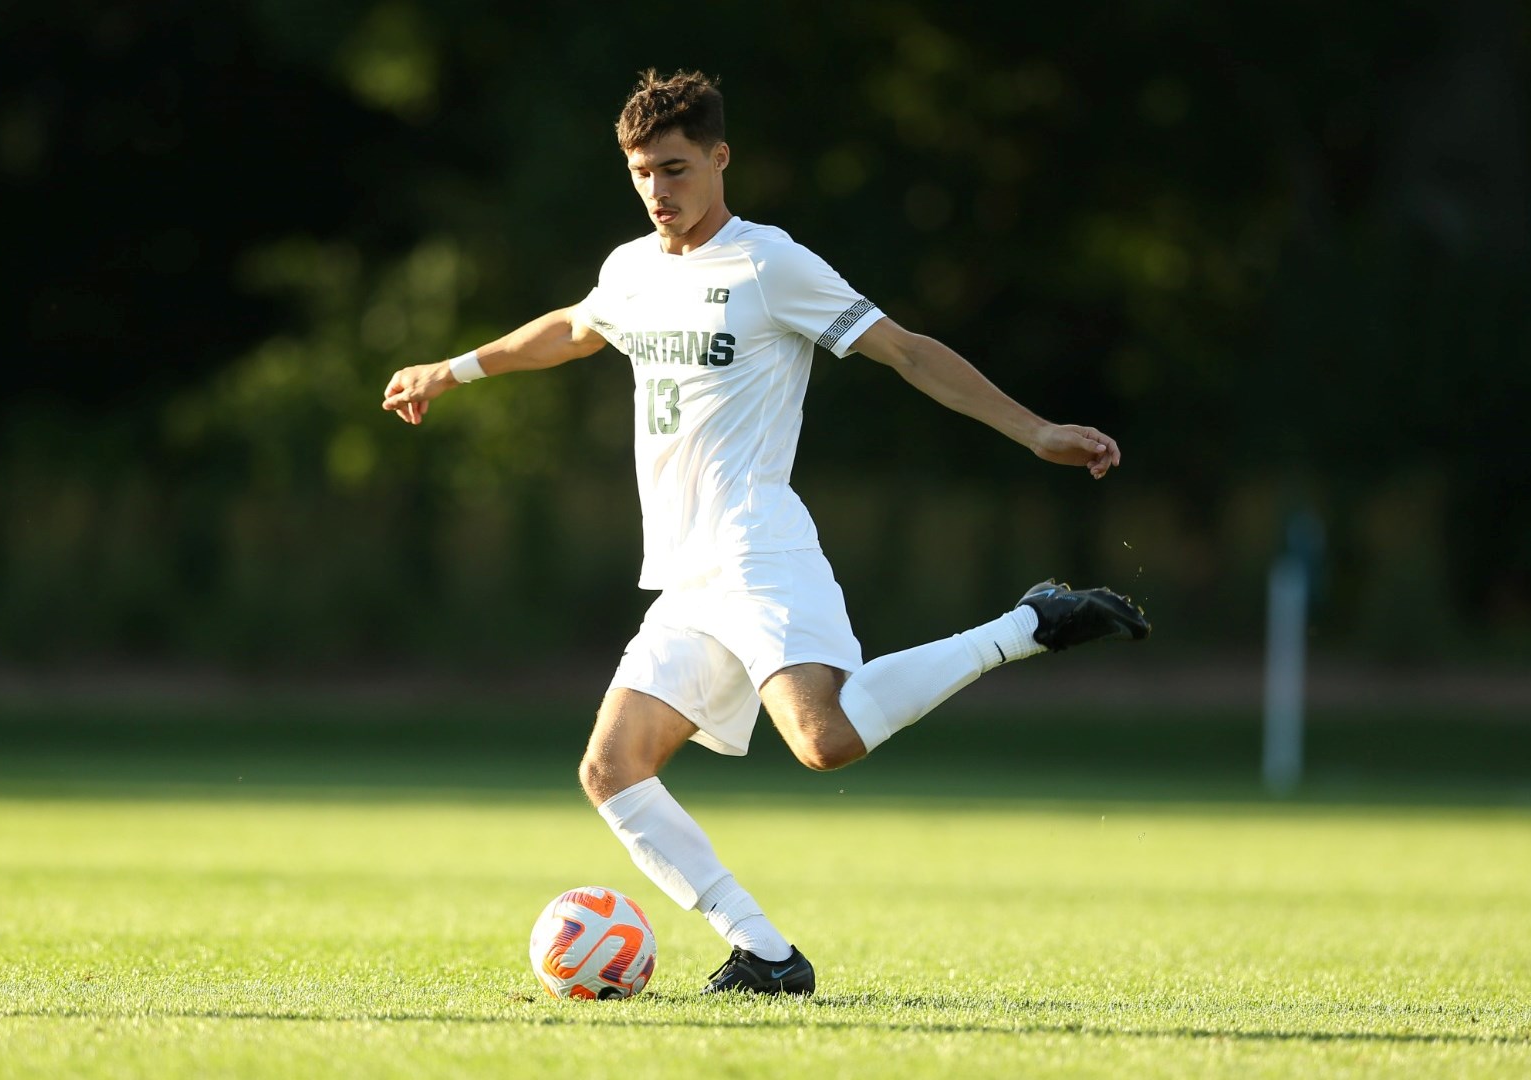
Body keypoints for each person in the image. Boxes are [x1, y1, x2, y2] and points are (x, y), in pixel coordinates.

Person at [382, 69, 1149, 996]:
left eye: (673, 168)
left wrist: (1034, 430)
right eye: (639, 174)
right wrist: (453, 368)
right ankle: (766, 955)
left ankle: (1025, 626)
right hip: (686, 575)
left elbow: (904, 349)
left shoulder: (768, 264)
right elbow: (572, 329)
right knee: (611, 767)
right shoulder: (631, 269)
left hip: (758, 550)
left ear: (718, 158)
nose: (658, 191)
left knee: (823, 744)